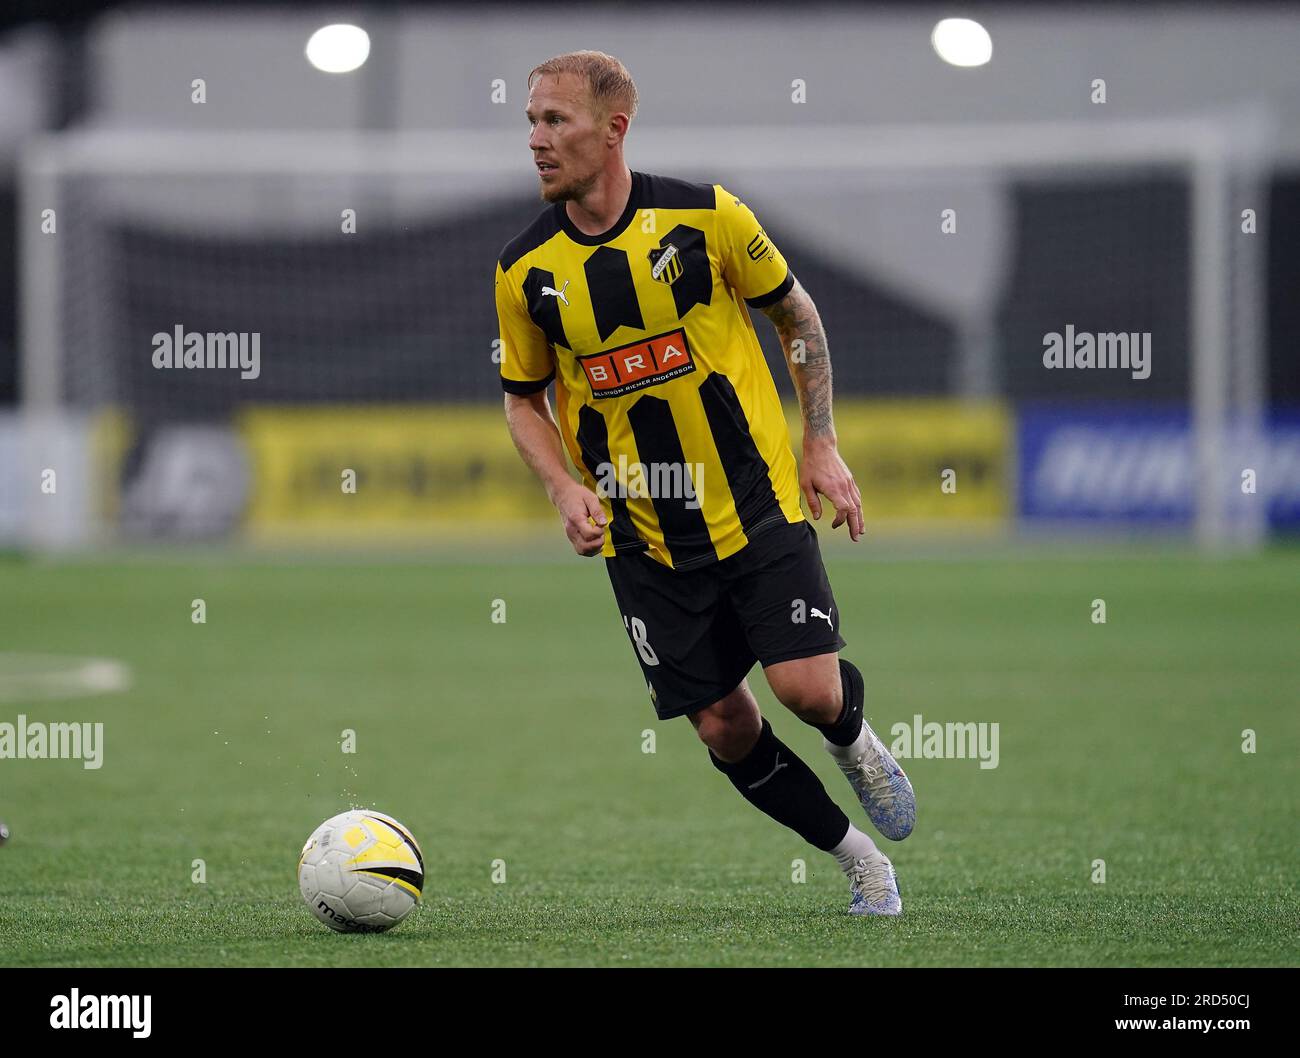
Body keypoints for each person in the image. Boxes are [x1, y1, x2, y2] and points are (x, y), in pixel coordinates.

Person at [496, 51, 915, 915]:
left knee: (806, 690)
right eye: (530, 121)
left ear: (613, 130)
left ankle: (854, 739)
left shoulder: (706, 216)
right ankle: (859, 859)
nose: (535, 140)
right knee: (725, 725)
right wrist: (560, 486)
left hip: (754, 501)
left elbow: (795, 313)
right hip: (644, 539)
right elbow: (521, 400)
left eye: (554, 122)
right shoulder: (523, 269)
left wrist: (821, 442)